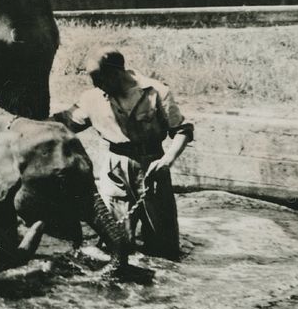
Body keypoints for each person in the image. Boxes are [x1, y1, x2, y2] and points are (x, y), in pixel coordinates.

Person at [53, 48, 193, 259]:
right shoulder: (92, 97)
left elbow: (182, 130)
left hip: (153, 165)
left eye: (100, 80)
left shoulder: (156, 92)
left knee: (164, 247)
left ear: (117, 74)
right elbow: (64, 123)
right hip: (114, 167)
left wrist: (167, 160)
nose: (97, 86)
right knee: (116, 239)